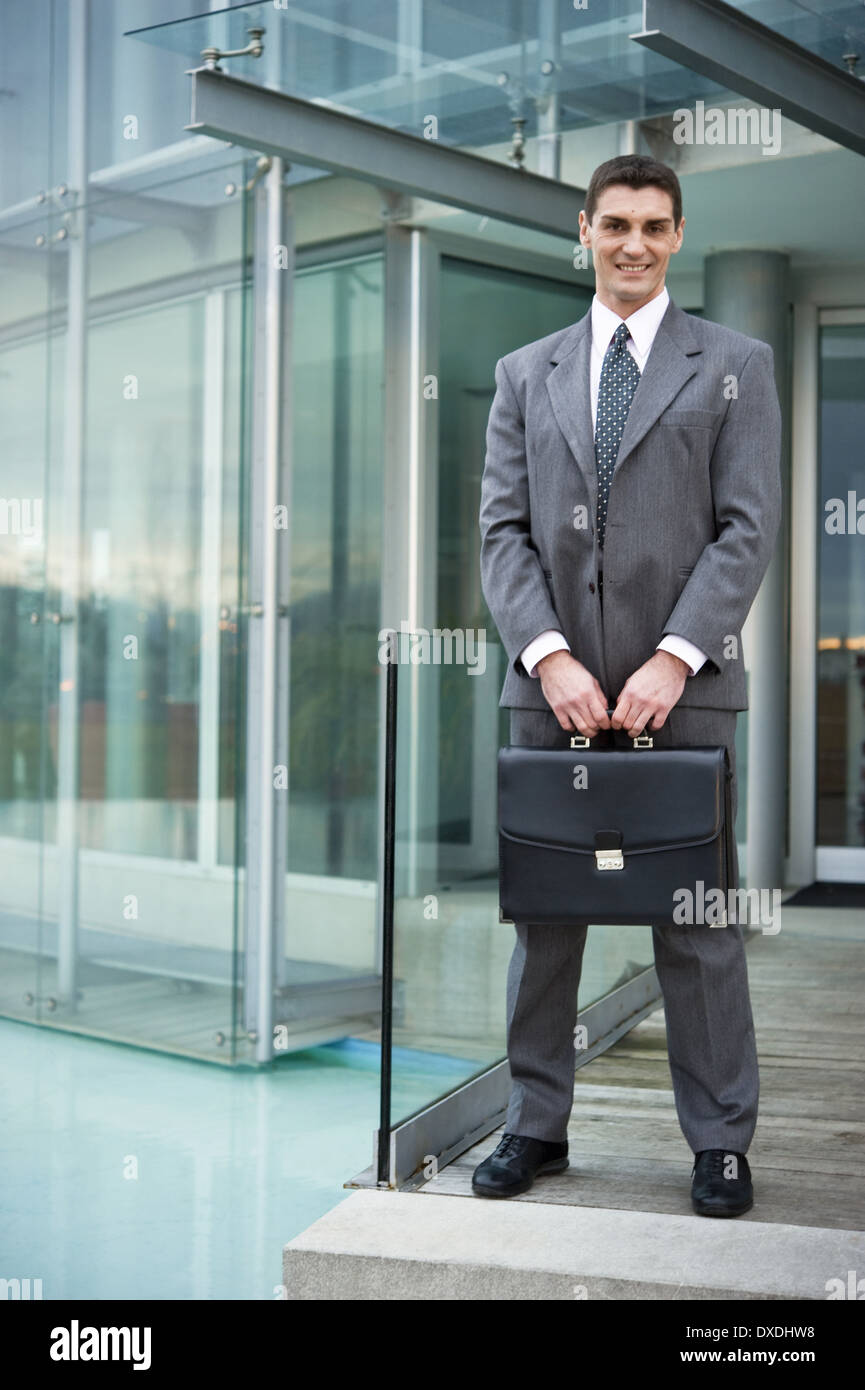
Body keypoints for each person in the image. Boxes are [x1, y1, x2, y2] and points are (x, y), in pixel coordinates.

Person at [475, 154, 782, 1216]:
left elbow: (747, 529)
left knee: (696, 925)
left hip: (682, 693)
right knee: (544, 922)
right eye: (615, 225)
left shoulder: (736, 362)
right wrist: (548, 654)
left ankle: (719, 1143)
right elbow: (502, 534)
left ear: (680, 234)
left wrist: (673, 654)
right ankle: (533, 1124)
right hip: (547, 694)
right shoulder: (525, 373)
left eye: (654, 225)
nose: (634, 244)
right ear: (585, 230)